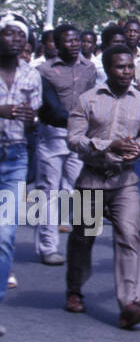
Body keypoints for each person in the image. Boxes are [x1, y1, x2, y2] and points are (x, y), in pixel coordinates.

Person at [64, 45, 140, 329]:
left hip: (125, 180)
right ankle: (75, 289)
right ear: (108, 68)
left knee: (130, 236)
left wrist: (137, 148)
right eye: (120, 67)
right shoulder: (87, 100)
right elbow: (73, 139)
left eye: (130, 66)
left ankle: (130, 303)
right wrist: (106, 145)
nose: (127, 72)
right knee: (82, 238)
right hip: (91, 179)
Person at [34, 23, 97, 265]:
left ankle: (83, 244)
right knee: (49, 191)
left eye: (77, 40)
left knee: (80, 189)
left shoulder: (90, 68)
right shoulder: (44, 71)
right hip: (53, 135)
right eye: (68, 41)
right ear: (56, 45)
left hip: (81, 136)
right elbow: (50, 107)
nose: (74, 45)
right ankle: (48, 247)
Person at [0, 14, 41, 336]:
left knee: (5, 234)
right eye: (7, 33)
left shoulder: (32, 75)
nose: (14, 38)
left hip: (14, 157)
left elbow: (35, 117)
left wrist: (30, 118)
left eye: (19, 34)